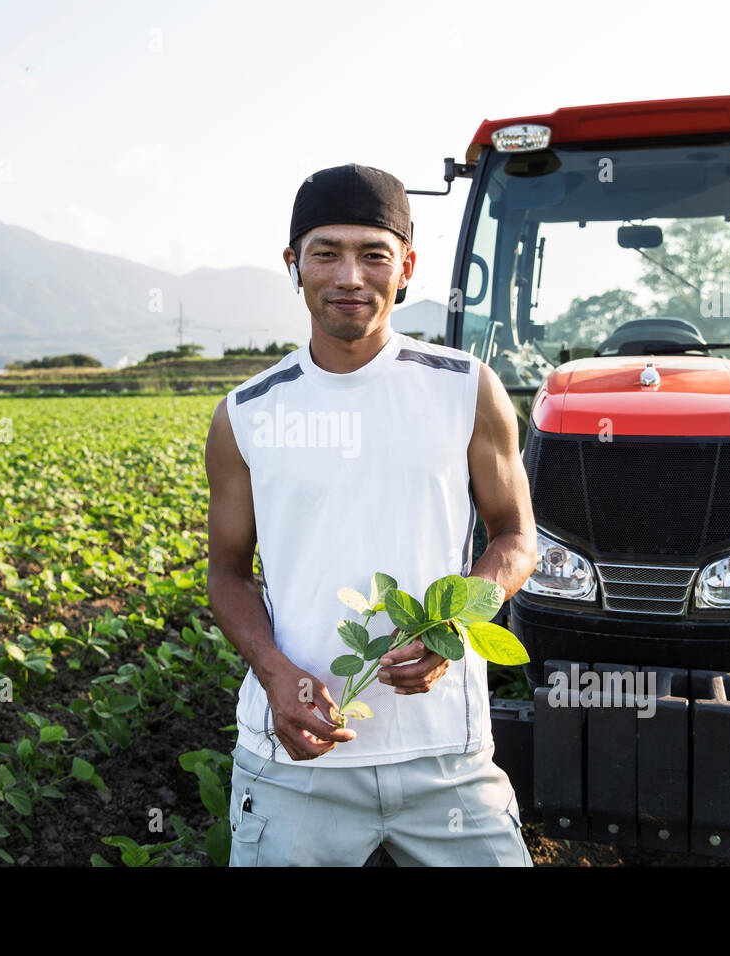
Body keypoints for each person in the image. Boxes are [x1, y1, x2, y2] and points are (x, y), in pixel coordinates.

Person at [204, 163, 538, 866]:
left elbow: (515, 536)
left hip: (447, 753)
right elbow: (228, 574)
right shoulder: (247, 414)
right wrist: (272, 671)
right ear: (293, 264)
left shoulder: (466, 390)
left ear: (407, 266)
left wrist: (455, 623)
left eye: (373, 254)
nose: (350, 276)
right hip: (296, 762)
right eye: (326, 253)